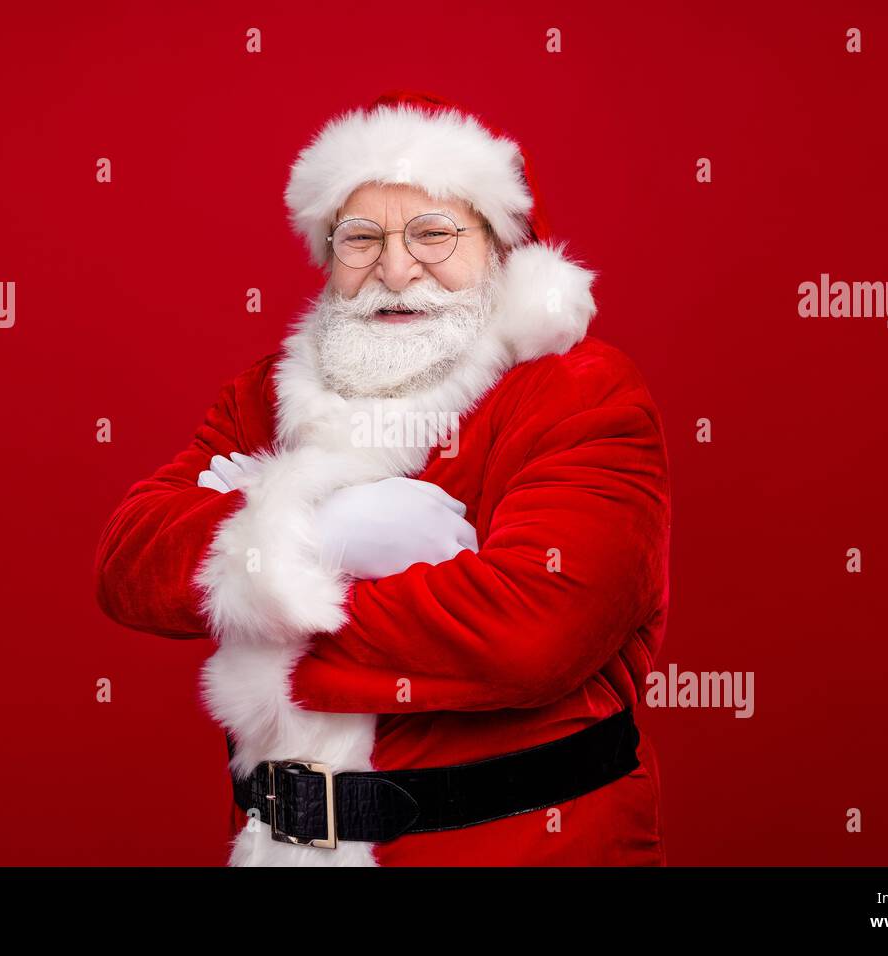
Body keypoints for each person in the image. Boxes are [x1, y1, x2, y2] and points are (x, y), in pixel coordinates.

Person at [94, 89, 672, 866]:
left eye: (434, 232)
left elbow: (531, 633)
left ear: (503, 248)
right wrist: (327, 530)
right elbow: (130, 563)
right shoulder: (268, 392)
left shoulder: (581, 390)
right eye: (360, 238)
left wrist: (259, 603)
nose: (396, 269)